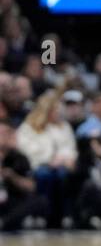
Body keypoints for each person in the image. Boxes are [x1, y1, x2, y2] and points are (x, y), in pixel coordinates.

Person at [16, 90, 77, 227]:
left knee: (63, 175)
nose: (59, 113)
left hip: (61, 165)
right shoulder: (29, 127)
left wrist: (63, 159)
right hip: (37, 165)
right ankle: (43, 214)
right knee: (45, 175)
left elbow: (70, 148)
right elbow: (26, 149)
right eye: (55, 110)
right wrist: (49, 159)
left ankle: (62, 215)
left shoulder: (64, 127)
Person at [0, 121, 48, 231]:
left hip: (11, 200)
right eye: (2, 133)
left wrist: (12, 177)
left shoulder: (19, 158)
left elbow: (31, 187)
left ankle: (5, 222)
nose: (6, 137)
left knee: (40, 200)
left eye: (8, 133)